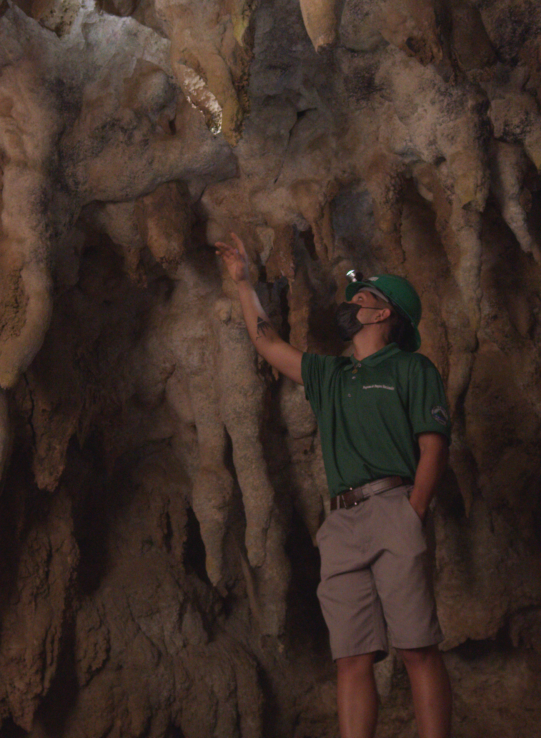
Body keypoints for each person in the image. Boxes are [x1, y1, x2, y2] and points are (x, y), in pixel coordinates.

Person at [215, 232, 452, 738]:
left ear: (384, 314)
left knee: (416, 648)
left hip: (393, 506)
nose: (351, 302)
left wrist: (412, 513)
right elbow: (267, 341)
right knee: (351, 656)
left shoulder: (413, 369)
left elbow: (433, 448)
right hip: (341, 522)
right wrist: (244, 284)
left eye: (360, 298)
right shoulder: (330, 374)